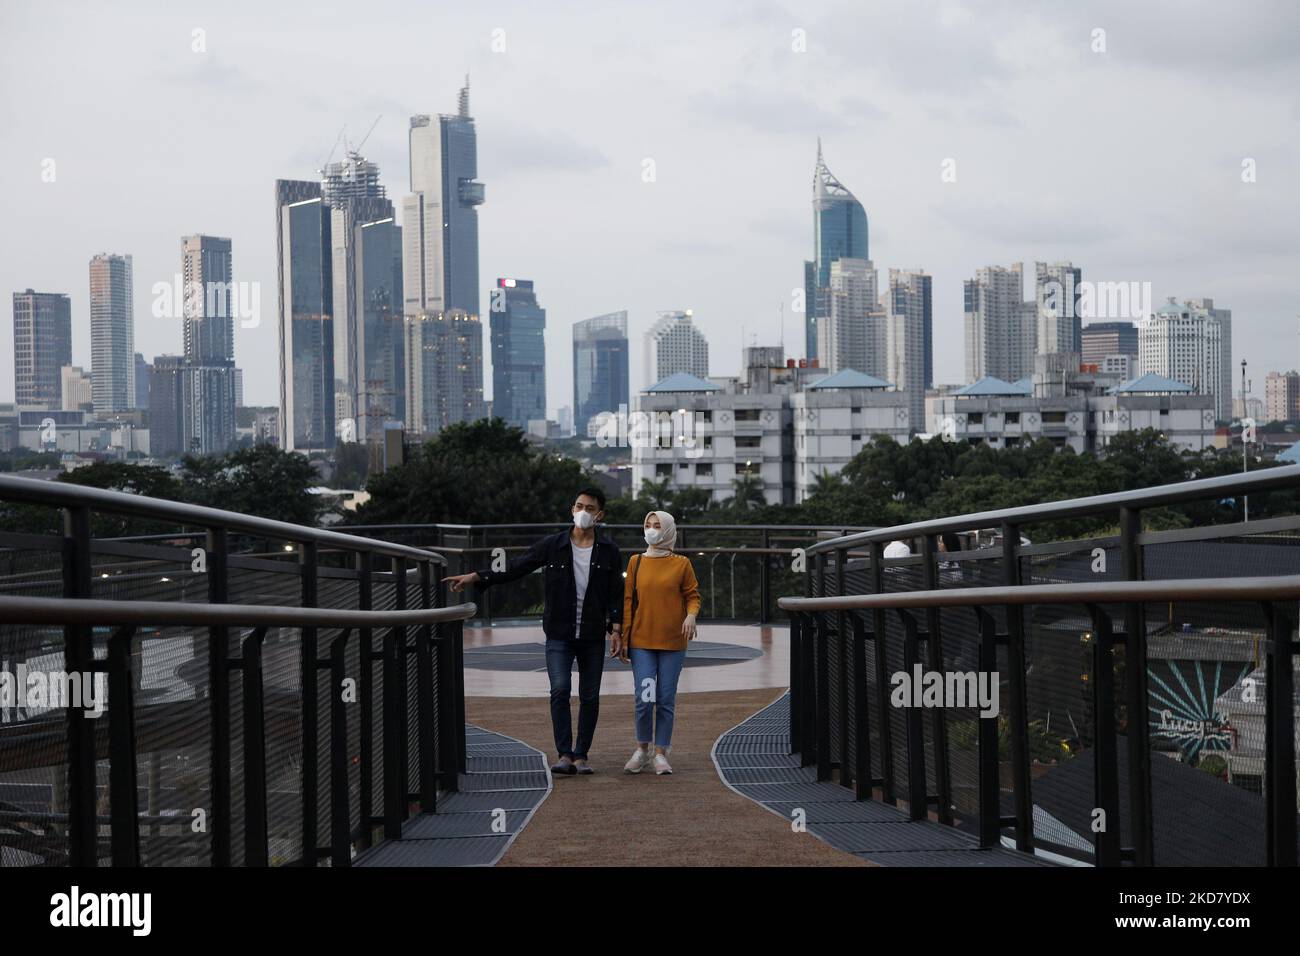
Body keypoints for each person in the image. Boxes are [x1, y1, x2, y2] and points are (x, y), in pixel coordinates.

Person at [445, 488, 622, 776]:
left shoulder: (609, 551)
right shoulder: (553, 545)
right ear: (571, 509)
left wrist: (617, 628)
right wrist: (478, 577)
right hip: (559, 633)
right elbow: (517, 566)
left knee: (590, 695)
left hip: (591, 635)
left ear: (599, 515)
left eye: (589, 508)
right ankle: (564, 754)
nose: (583, 512)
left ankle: (582, 755)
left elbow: (616, 593)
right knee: (560, 688)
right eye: (578, 506)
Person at [620, 510, 701, 776]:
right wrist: (625, 638)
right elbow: (629, 602)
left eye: (657, 525)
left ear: (667, 530)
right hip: (642, 641)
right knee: (644, 698)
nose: (652, 529)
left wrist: (691, 616)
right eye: (648, 525)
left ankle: (661, 752)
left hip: (673, 642)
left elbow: (693, 595)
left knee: (666, 699)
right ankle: (642, 749)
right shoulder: (636, 562)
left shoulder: (682, 563)